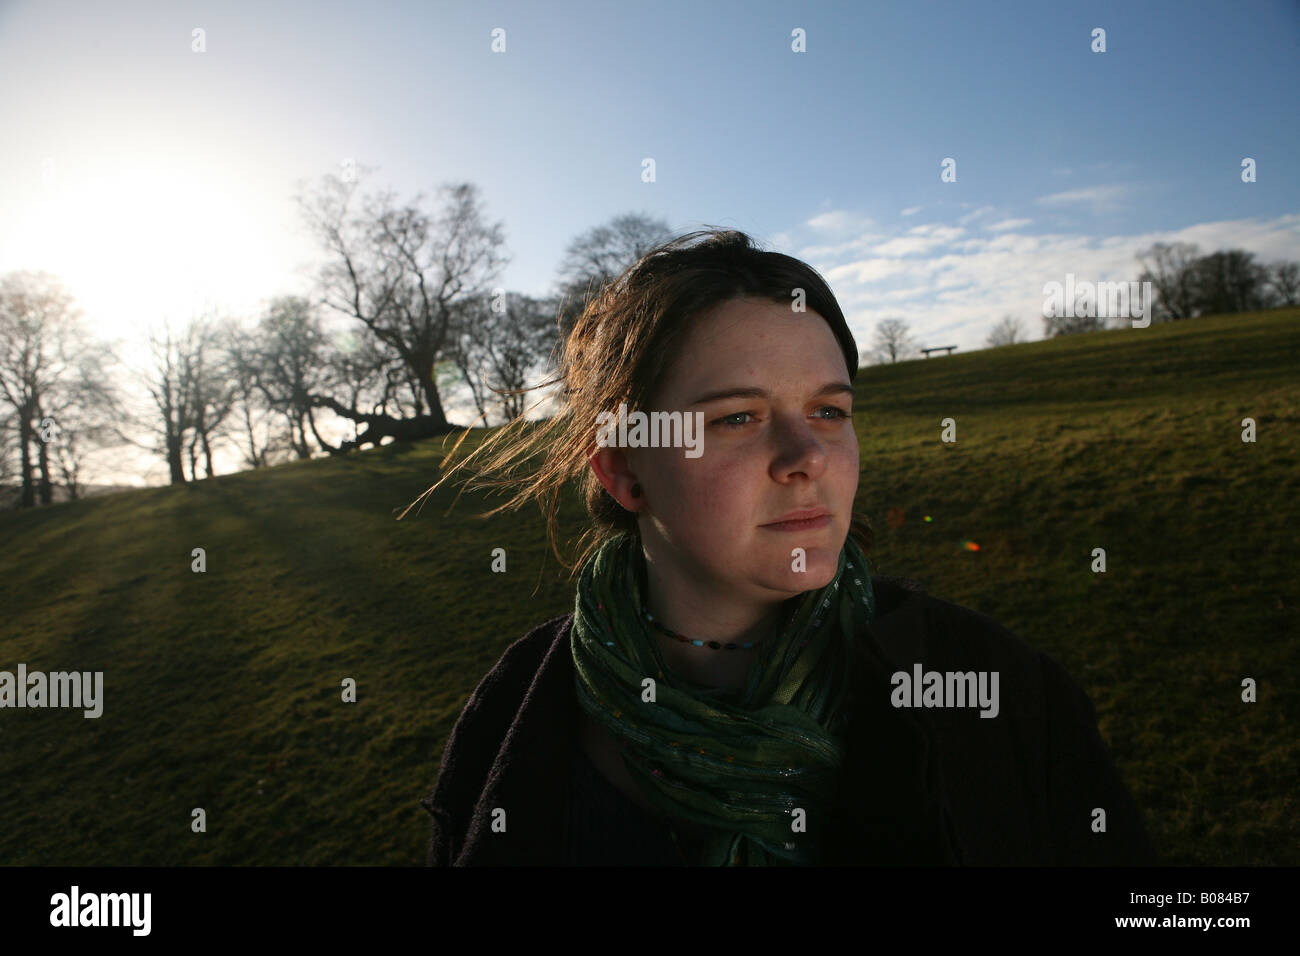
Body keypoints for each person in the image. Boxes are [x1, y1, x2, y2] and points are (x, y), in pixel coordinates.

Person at [418, 228, 1156, 866]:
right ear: (622, 471)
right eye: (738, 418)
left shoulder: (1000, 693)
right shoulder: (515, 711)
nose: (808, 454)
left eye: (830, 410)